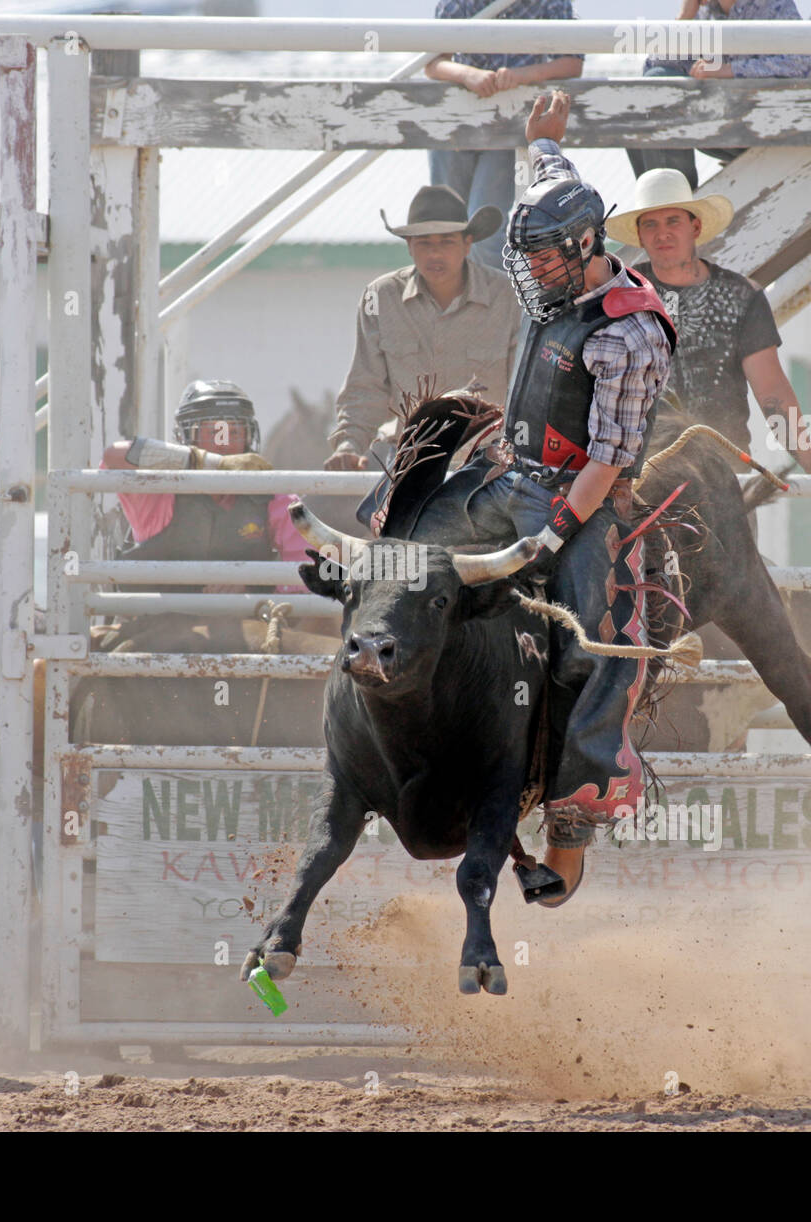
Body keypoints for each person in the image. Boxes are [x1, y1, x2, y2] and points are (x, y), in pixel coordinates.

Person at [417, 91, 676, 906]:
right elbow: (555, 173)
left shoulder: (629, 333)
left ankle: (581, 796)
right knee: (409, 535)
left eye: (542, 258)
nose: (528, 269)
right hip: (513, 467)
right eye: (525, 254)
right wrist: (545, 140)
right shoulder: (563, 248)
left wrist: (558, 532)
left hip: (580, 496)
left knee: (588, 643)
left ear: (588, 246)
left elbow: (610, 457)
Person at [605, 168, 811, 478]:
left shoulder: (739, 295)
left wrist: (809, 459)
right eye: (650, 223)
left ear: (695, 226)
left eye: (673, 221)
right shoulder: (621, 296)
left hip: (725, 479)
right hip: (644, 481)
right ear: (640, 234)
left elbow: (770, 385)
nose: (661, 233)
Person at [325, 185, 522, 472]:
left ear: (468, 244)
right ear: (409, 246)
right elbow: (365, 386)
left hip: (486, 463)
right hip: (408, 462)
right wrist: (349, 445)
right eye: (424, 243)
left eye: (446, 242)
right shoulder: (380, 298)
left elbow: (523, 393)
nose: (435, 254)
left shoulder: (507, 297)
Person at [100, 380, 309, 613]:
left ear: (249, 437)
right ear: (187, 437)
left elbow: (309, 572)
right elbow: (114, 455)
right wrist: (206, 462)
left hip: (241, 628)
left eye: (235, 431)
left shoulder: (273, 497)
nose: (225, 443)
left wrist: (252, 587)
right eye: (214, 432)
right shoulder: (161, 493)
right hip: (157, 630)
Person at [424, 0, 585, 269]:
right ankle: (459, 304)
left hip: (504, 131)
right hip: (457, 127)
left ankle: (493, 305)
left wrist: (522, 75)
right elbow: (432, 63)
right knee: (446, 227)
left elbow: (572, 63)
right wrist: (467, 75)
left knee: (484, 232)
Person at [629, 0, 811, 190]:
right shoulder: (704, 14)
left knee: (656, 93)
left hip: (774, 127)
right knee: (644, 97)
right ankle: (667, 201)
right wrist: (685, 18)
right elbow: (653, 70)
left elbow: (800, 62)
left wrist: (728, 70)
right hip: (728, 128)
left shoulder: (771, 5)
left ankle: (673, 204)